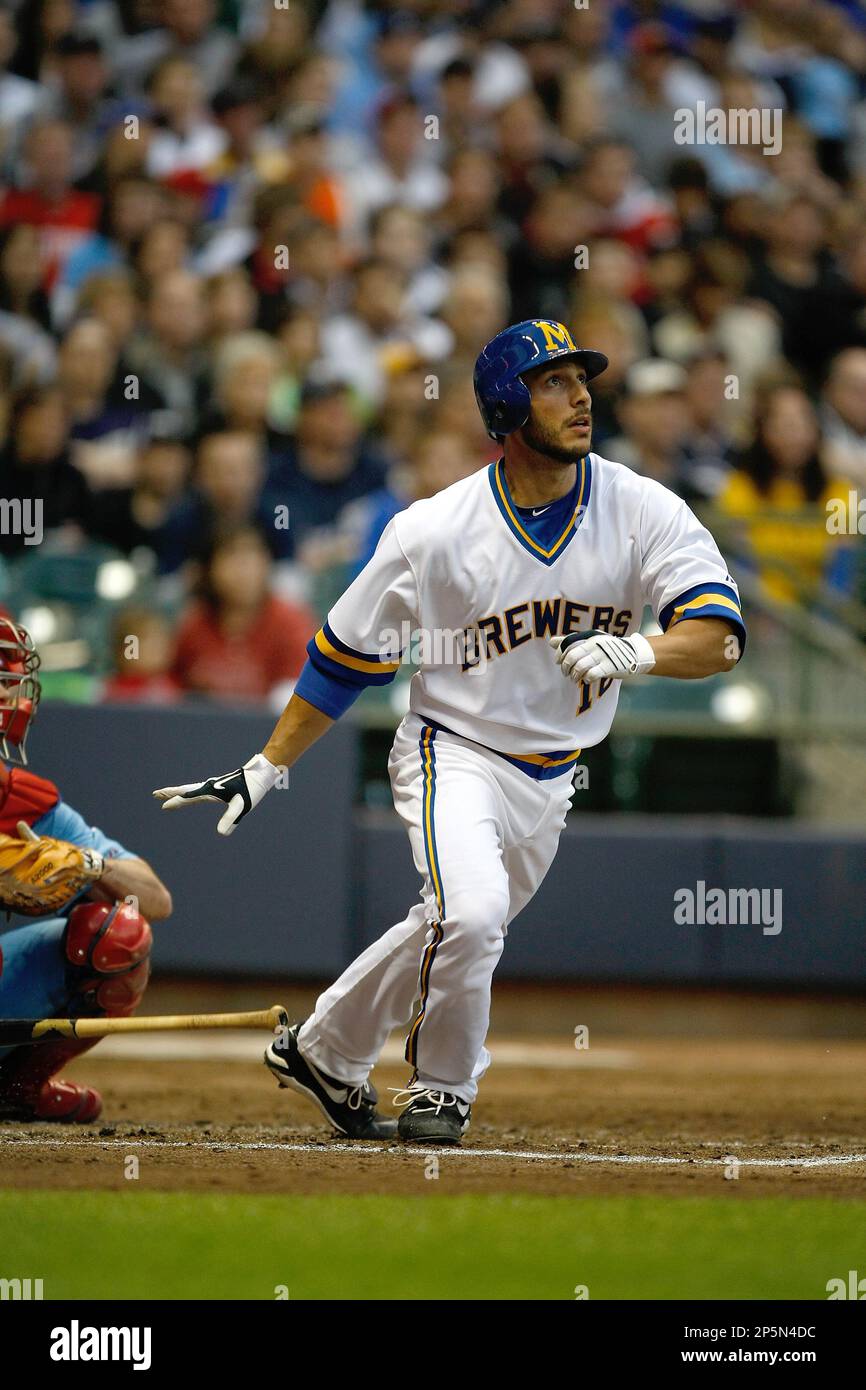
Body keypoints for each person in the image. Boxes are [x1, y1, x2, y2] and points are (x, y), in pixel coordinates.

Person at [154, 319, 746, 1145]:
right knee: (469, 917)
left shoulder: (642, 507)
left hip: (554, 776)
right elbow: (341, 660)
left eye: (582, 378)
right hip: (451, 749)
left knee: (455, 922)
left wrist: (641, 647)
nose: (580, 395)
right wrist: (265, 764)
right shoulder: (432, 531)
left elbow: (718, 636)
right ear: (507, 404)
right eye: (552, 382)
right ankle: (443, 1087)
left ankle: (325, 1052)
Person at [0, 616, 172, 1122]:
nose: (11, 694)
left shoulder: (21, 798)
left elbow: (156, 899)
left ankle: (15, 1087)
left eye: (10, 678)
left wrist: (88, 865)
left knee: (118, 933)